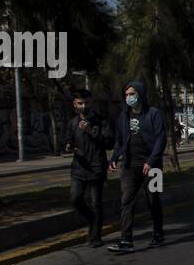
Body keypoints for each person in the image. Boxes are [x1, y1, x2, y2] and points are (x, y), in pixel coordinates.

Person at [108, 80, 166, 253]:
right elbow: (119, 140)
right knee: (126, 201)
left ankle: (158, 234)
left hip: (153, 166)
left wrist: (151, 160)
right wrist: (114, 157)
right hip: (129, 166)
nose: (129, 98)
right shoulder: (123, 116)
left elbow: (161, 139)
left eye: (132, 94)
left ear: (140, 94)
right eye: (126, 95)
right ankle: (126, 240)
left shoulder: (154, 113)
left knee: (153, 200)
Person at [64, 88, 113, 247]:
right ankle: (91, 218)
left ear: (91, 102)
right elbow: (67, 140)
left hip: (97, 167)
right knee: (75, 198)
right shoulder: (72, 123)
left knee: (96, 202)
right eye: (80, 103)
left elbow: (109, 143)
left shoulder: (101, 121)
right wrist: (68, 146)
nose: (83, 106)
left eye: (86, 103)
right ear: (75, 104)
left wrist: (91, 131)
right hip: (79, 167)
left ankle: (95, 236)